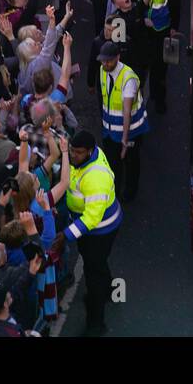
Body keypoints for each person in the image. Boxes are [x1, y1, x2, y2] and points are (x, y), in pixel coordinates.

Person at [56, 130, 121, 336]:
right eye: (72, 151)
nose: (73, 156)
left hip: (99, 231)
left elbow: (92, 218)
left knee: (93, 276)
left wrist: (65, 235)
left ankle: (96, 324)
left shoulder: (95, 177)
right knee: (98, 262)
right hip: (95, 228)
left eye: (78, 153)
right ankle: (111, 290)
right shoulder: (89, 157)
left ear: (90, 151)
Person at [96, 40, 145, 203]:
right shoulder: (103, 70)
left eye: (108, 60)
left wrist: (125, 139)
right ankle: (114, 192)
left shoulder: (128, 78)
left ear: (118, 57)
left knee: (130, 162)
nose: (105, 63)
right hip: (109, 129)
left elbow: (126, 111)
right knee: (112, 162)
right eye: (103, 60)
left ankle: (130, 192)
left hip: (130, 131)